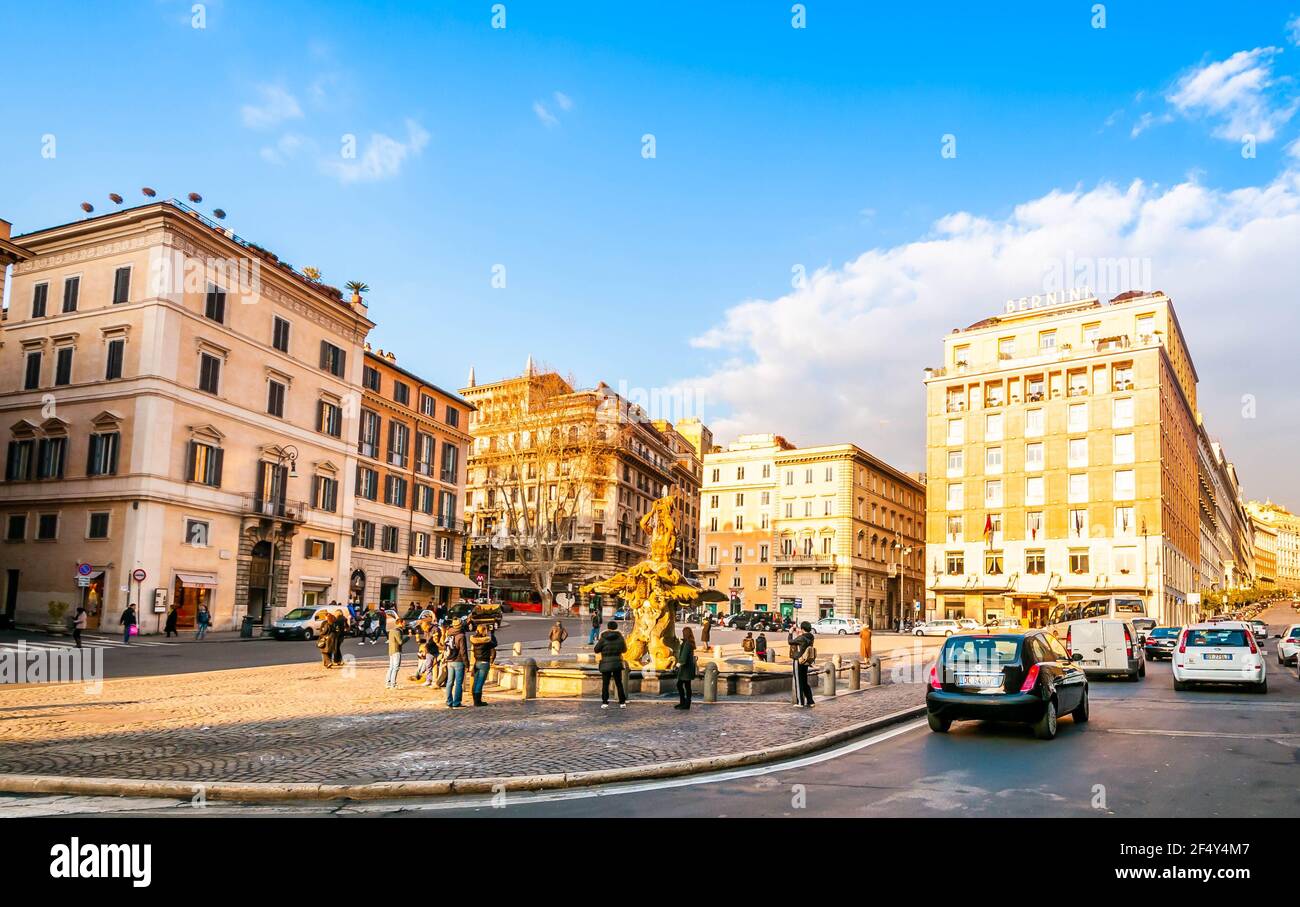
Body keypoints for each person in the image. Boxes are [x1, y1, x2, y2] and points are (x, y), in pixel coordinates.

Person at [594, 621, 628, 709]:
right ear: (616, 627)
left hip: (605, 663)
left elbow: (596, 649)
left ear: (608, 627)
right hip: (617, 662)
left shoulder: (603, 638)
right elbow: (624, 650)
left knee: (605, 684)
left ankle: (605, 702)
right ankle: (622, 702)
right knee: (619, 683)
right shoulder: (620, 637)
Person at [470, 622, 498, 706]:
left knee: (476, 681)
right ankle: (478, 701)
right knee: (480, 682)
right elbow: (495, 644)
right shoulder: (486, 641)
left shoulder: (474, 640)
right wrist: (492, 634)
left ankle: (475, 700)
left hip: (477, 662)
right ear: (484, 630)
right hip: (484, 663)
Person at [443, 618, 468, 708]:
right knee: (458, 683)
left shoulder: (449, 633)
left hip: (450, 660)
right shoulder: (461, 635)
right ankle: (456, 702)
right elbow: (463, 651)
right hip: (459, 661)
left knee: (449, 682)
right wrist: (467, 664)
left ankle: (449, 701)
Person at [791, 621, 816, 708]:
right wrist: (799, 634)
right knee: (804, 681)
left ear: (802, 629)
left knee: (798, 681)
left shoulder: (801, 638)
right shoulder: (811, 637)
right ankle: (810, 701)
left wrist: (790, 633)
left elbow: (791, 642)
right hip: (806, 660)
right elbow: (802, 643)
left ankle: (800, 702)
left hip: (799, 660)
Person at [674, 626, 697, 710]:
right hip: (689, 668)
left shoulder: (687, 644)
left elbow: (683, 657)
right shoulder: (689, 642)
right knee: (687, 686)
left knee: (680, 685)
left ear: (685, 633)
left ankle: (684, 703)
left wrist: (677, 666)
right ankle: (685, 703)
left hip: (685, 669)